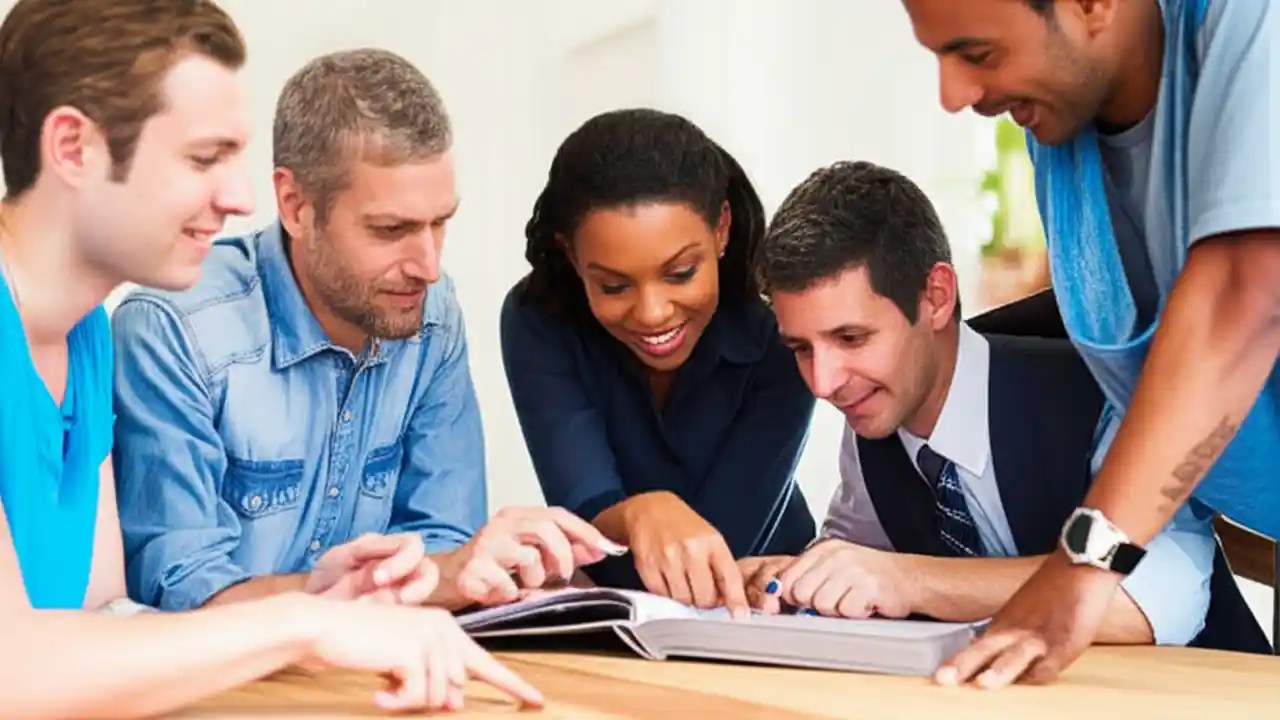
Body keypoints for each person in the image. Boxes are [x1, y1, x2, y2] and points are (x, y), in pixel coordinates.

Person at [0, 0, 542, 715]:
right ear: (72, 148)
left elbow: (101, 621)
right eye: (203, 158)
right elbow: (13, 668)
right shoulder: (148, 329)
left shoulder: (86, 337)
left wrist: (327, 599)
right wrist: (306, 625)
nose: (241, 197)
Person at [110, 47, 624, 616]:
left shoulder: (431, 311)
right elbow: (182, 594)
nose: (427, 265)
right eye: (391, 229)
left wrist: (480, 570)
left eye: (439, 223)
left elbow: (445, 540)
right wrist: (422, 582)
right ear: (295, 204)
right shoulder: (174, 328)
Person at [738, 160, 1267, 656]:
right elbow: (858, 556)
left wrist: (908, 580)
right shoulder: (876, 426)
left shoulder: (1100, 396)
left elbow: (1151, 602)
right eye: (801, 349)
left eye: (851, 338)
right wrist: (800, 580)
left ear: (937, 297)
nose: (823, 383)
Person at [900, 0, 1280, 687]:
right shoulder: (1060, 128)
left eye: (976, 55)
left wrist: (1082, 565)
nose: (952, 96)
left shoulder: (1253, 20)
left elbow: (1243, 297)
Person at [501, 109, 816, 616]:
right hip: (629, 618)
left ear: (722, 229)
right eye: (613, 285)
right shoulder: (538, 320)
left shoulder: (783, 330)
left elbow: (721, 550)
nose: (652, 314)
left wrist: (623, 519)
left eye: (681, 273)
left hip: (770, 607)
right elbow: (588, 525)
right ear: (571, 255)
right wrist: (640, 513)